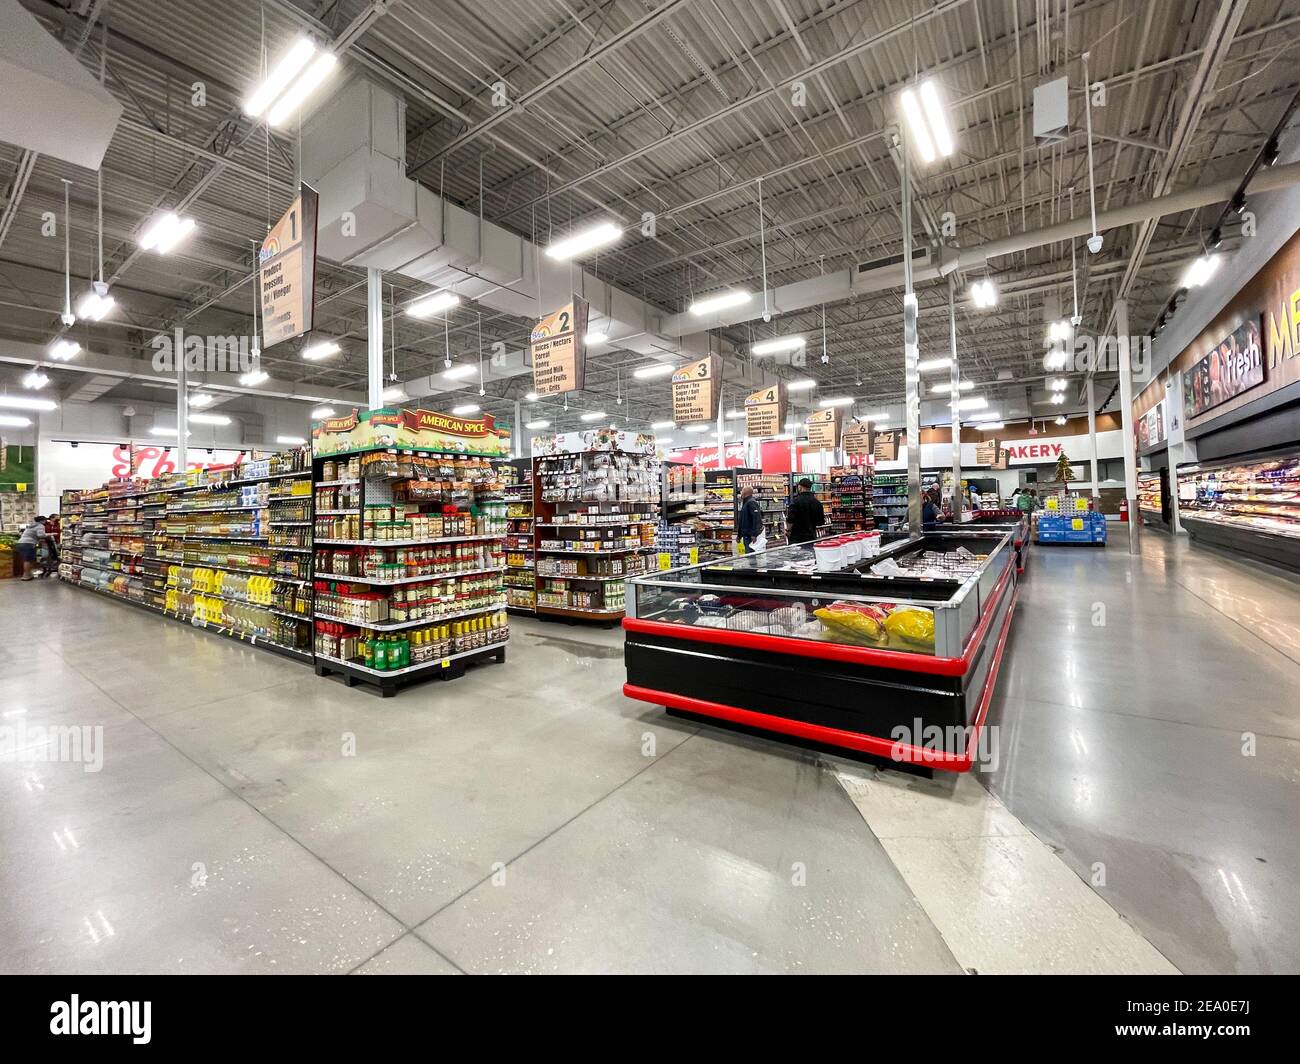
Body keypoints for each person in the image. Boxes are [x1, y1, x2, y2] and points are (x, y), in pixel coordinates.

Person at [786, 478, 825, 544]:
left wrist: (788, 530)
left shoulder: (796, 501)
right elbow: (820, 522)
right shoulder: (817, 502)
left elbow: (790, 519)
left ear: (800, 487)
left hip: (797, 538)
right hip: (811, 537)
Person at [17, 516, 55, 581]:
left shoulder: (31, 525)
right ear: (42, 521)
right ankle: (26, 576)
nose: (46, 521)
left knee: (27, 560)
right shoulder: (40, 526)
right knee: (28, 560)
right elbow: (41, 535)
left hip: (21, 543)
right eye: (45, 520)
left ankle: (28, 574)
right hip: (28, 544)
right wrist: (51, 534)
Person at [737, 485, 763, 552]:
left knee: (751, 556)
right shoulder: (746, 503)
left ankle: (752, 563)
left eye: (742, 491)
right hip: (746, 535)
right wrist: (739, 535)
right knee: (749, 555)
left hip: (750, 536)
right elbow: (742, 520)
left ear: (745, 492)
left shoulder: (751, 502)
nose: (741, 493)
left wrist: (754, 534)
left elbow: (756, 519)